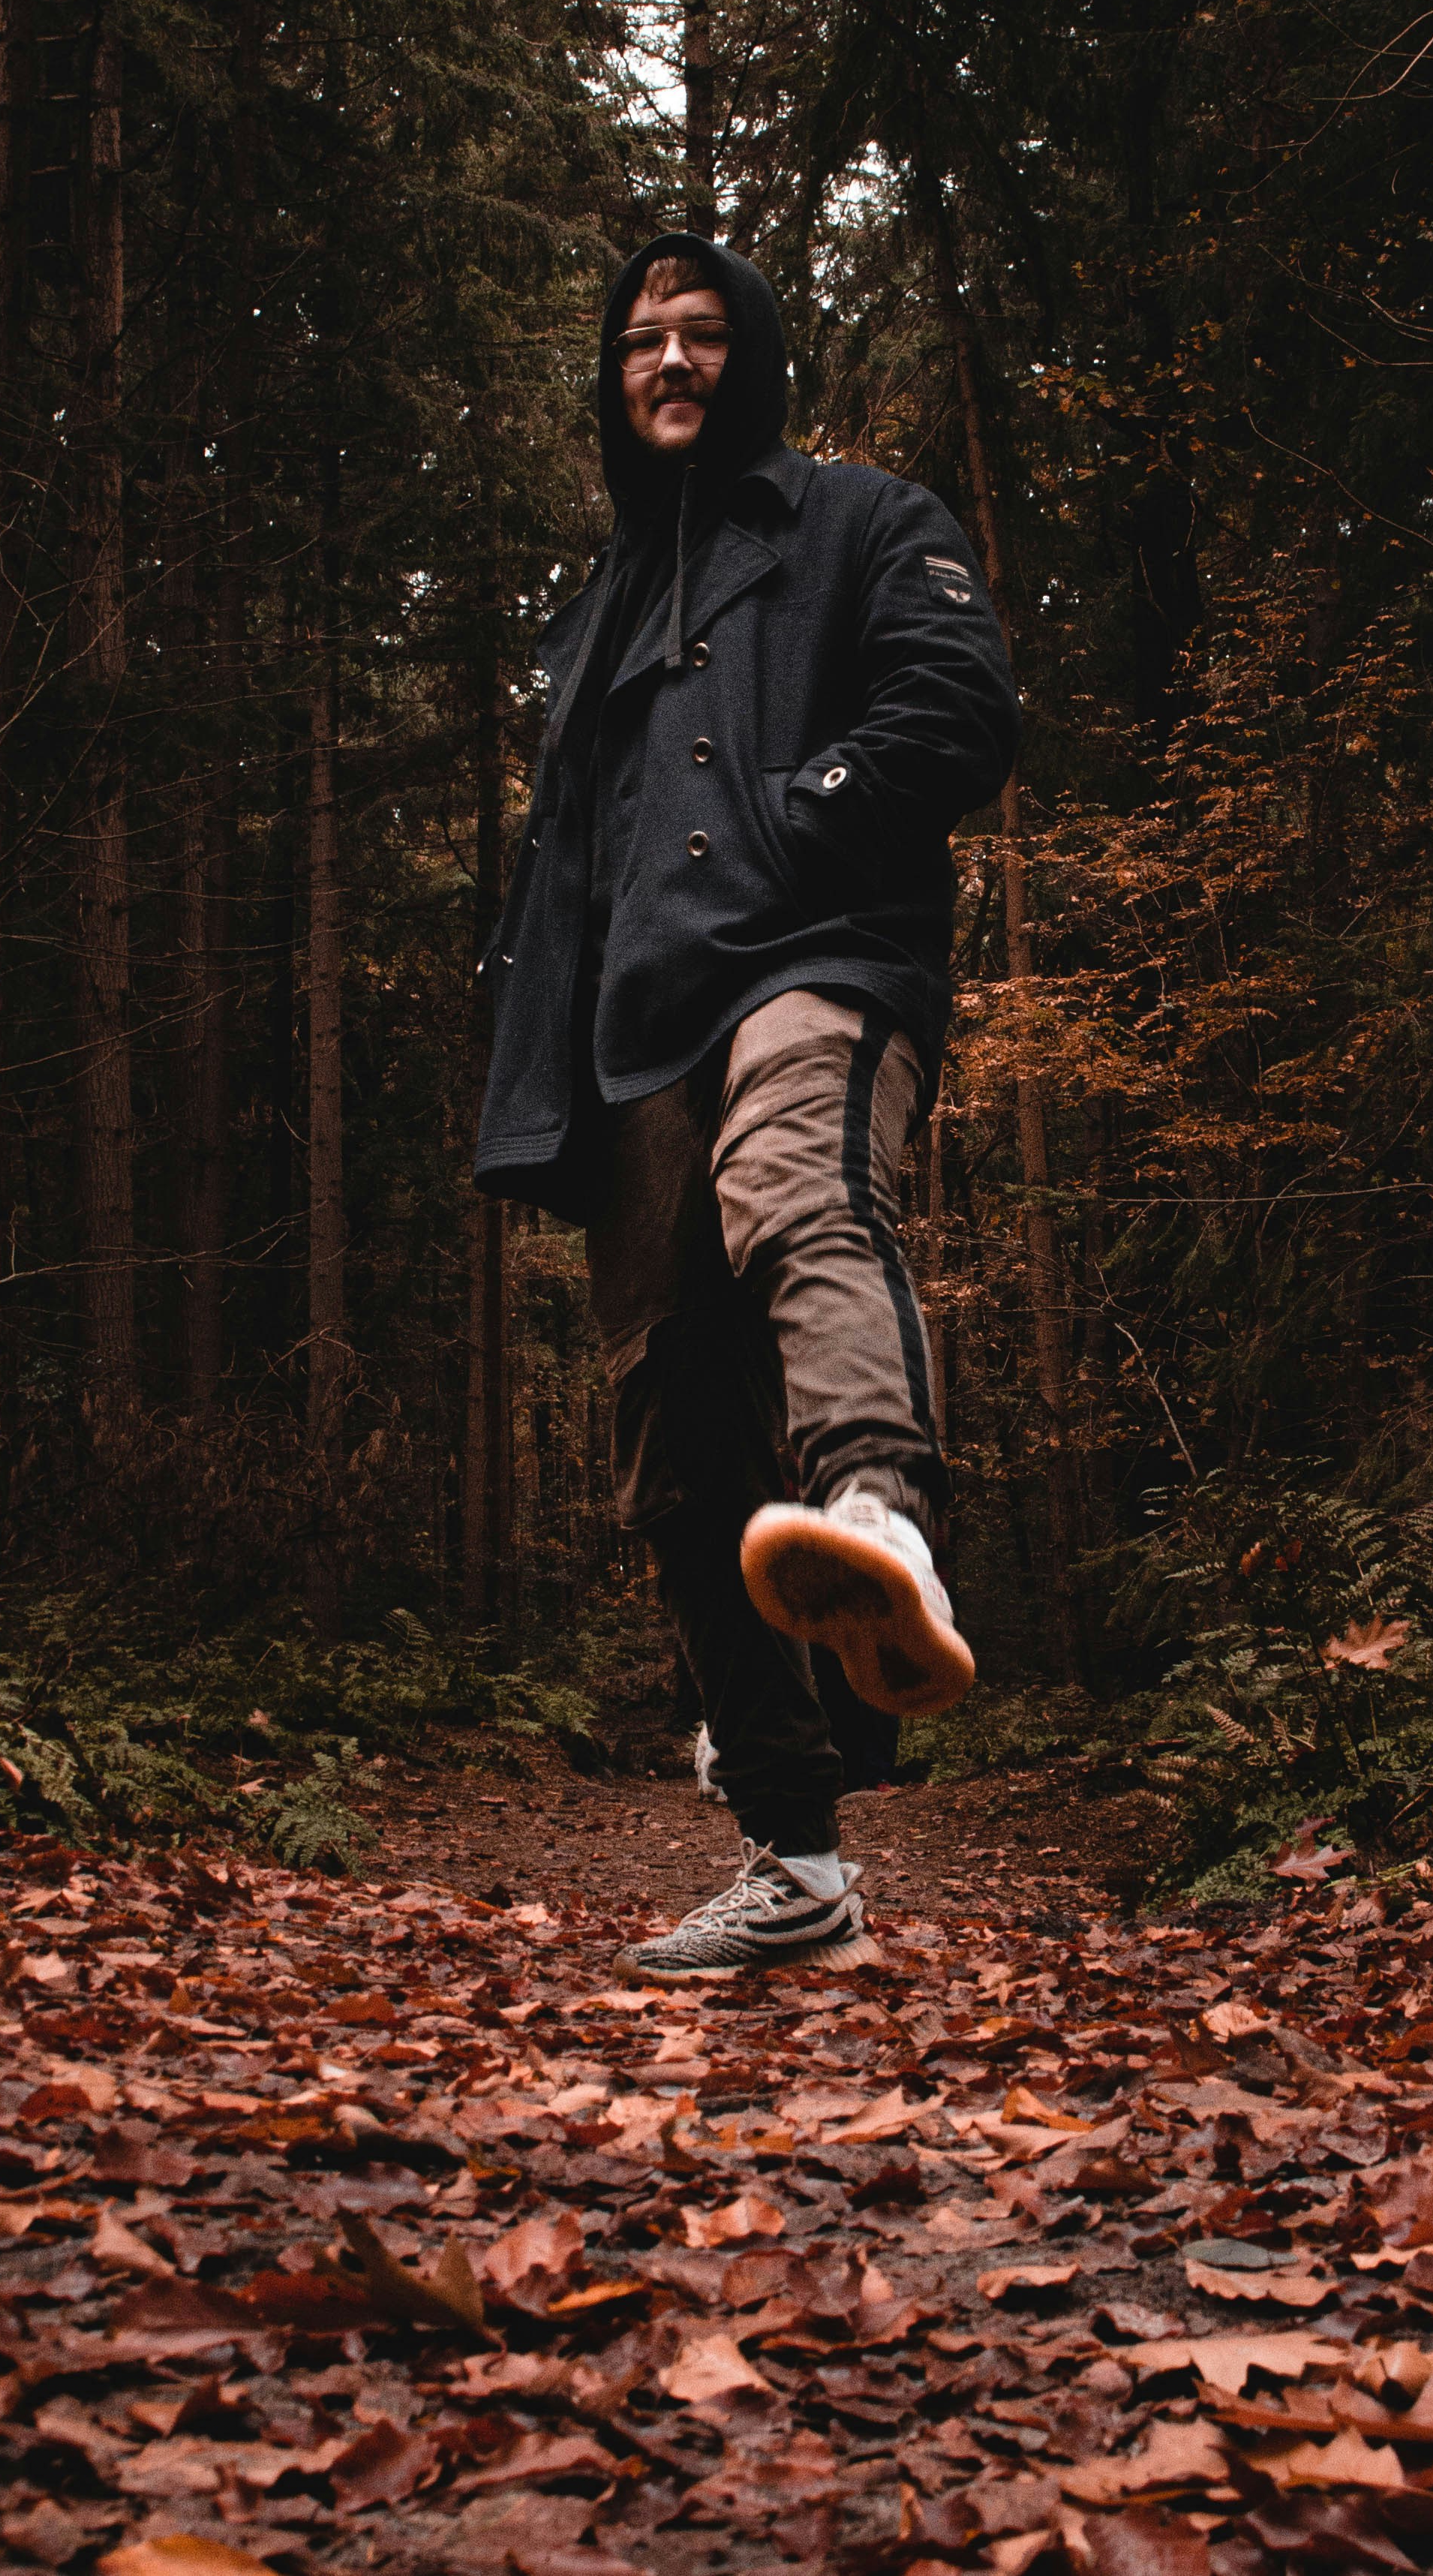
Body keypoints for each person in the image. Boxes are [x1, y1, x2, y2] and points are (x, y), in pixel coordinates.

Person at [475, 229, 1020, 1974]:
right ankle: (796, 1862)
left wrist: (803, 809)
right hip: (636, 1043)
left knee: (803, 1190)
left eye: (706, 336)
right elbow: (569, 867)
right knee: (676, 1453)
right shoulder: (596, 616)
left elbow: (957, 708)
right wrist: (541, 1081)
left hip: (821, 955)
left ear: (756, 360)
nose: (671, 363)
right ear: (612, 378)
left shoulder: (865, 521)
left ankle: (878, 1513)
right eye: (643, 341)